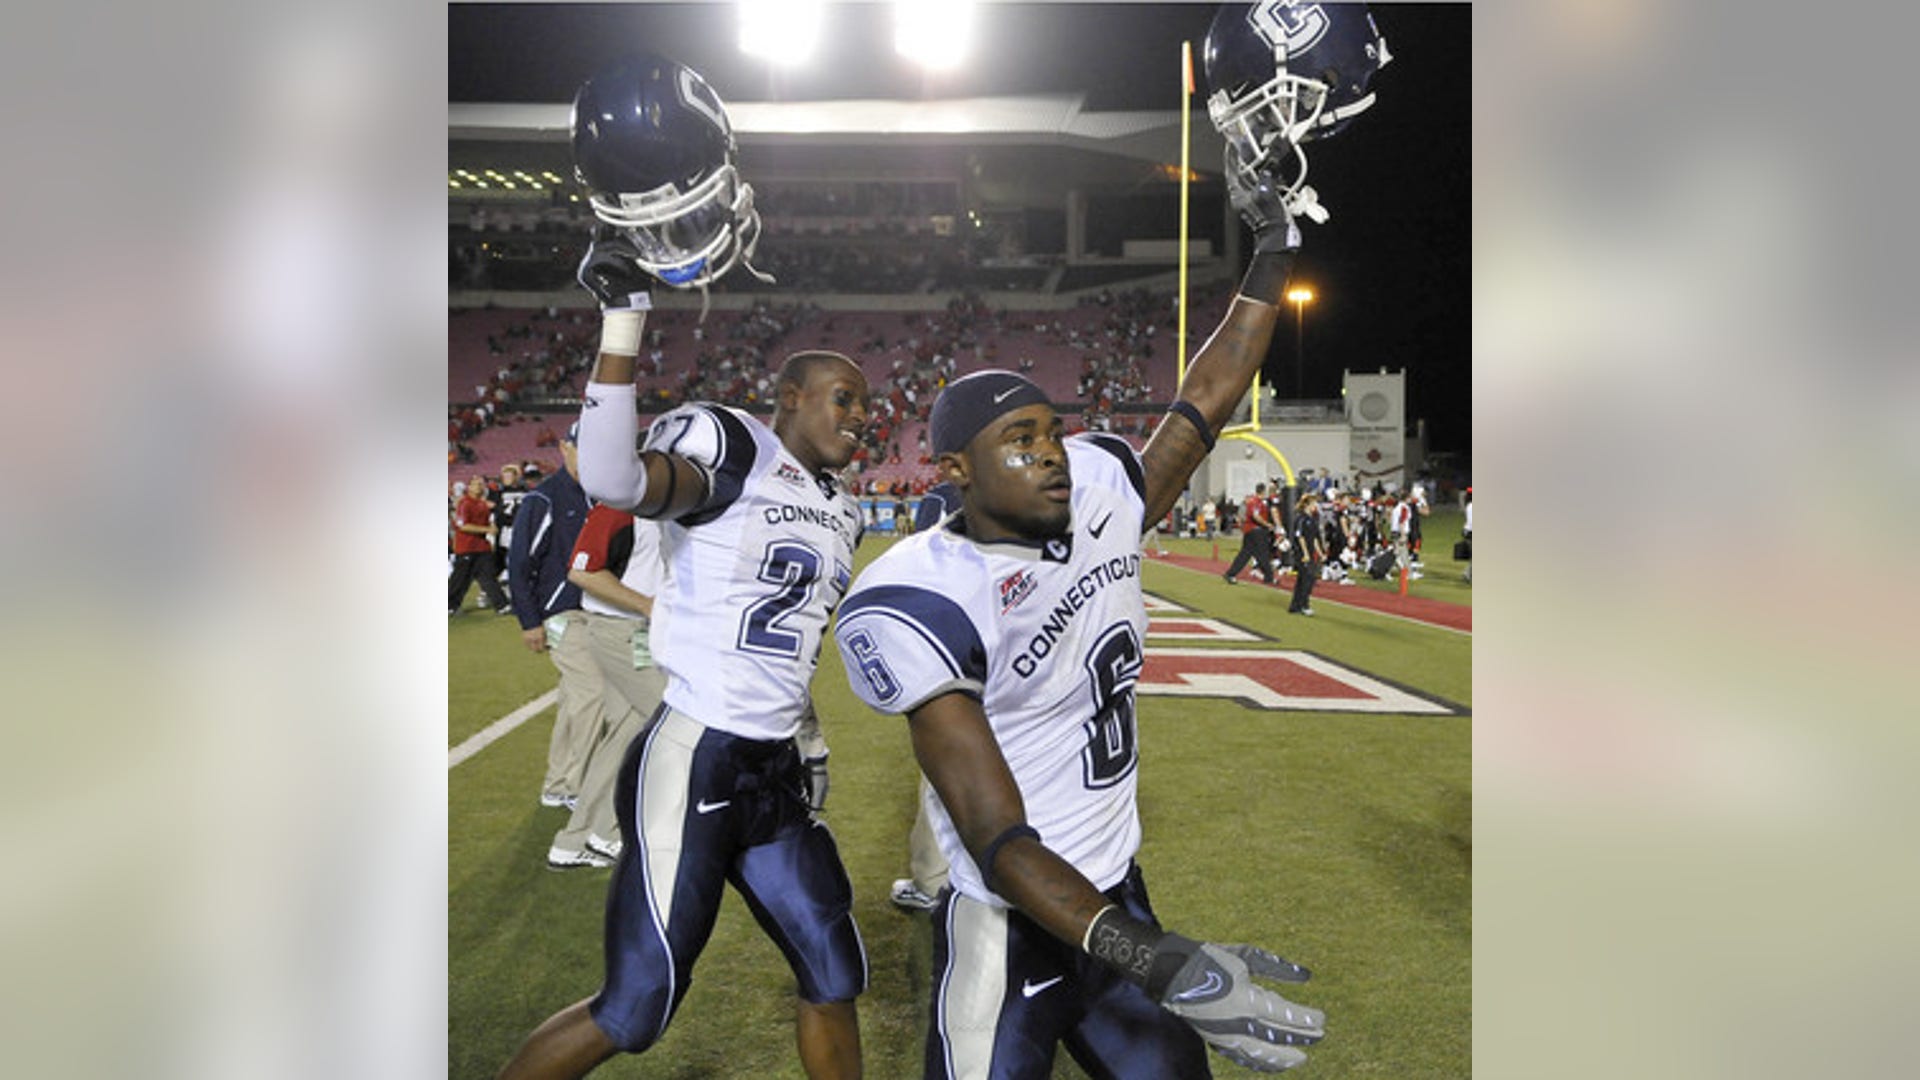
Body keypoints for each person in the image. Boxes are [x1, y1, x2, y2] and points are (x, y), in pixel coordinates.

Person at [830, 123, 1339, 1073]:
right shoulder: (917, 597)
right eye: (1019, 439)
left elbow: (1205, 402)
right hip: (1008, 924)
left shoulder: (1103, 495)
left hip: (1114, 896)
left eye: (1055, 431)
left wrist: (1272, 254)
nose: (1052, 452)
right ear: (952, 470)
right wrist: (1166, 963)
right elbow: (995, 838)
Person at [498, 56, 868, 1078]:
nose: (859, 418)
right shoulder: (736, 446)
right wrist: (625, 321)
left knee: (835, 969)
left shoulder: (843, 509)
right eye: (841, 399)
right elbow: (614, 477)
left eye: (866, 405)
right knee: (639, 1007)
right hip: (699, 754)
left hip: (772, 768)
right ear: (788, 399)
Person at [544, 505, 667, 870]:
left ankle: (579, 839)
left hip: (637, 632)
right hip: (621, 631)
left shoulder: (666, 505)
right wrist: (647, 604)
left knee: (625, 735)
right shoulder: (618, 506)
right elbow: (582, 571)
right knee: (677, 722)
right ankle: (608, 832)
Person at [505, 424, 603, 812]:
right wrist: (529, 621)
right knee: (593, 693)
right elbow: (518, 563)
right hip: (562, 612)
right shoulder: (543, 499)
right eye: (584, 447)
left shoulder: (602, 496)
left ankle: (559, 784)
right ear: (565, 448)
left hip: (595, 612)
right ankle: (580, 785)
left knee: (573, 698)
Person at [449, 475, 510, 616]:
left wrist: (491, 527)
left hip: (482, 547)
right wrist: (487, 530)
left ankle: (502, 605)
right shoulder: (465, 503)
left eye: (481, 484)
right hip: (466, 548)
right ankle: (449, 606)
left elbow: (487, 522)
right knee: (460, 579)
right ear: (468, 487)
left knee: (488, 578)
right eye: (476, 484)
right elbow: (463, 526)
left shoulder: (482, 504)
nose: (479, 487)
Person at [1223, 481, 1277, 585]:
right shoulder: (1256, 502)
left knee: (1245, 554)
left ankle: (1230, 573)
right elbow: (1255, 516)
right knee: (1262, 554)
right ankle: (1269, 577)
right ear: (1263, 491)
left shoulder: (1256, 501)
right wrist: (1267, 524)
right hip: (1256, 531)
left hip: (1250, 531)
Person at [1288, 494, 1324, 616]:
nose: (1315, 506)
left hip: (1309, 552)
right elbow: (1300, 537)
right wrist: (1305, 553)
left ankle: (1295, 606)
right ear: (1307, 505)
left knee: (1303, 579)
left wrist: (1320, 553)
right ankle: (1304, 605)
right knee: (1306, 580)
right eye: (1314, 504)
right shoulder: (1301, 519)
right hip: (1302, 553)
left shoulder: (1312, 519)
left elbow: (1314, 539)